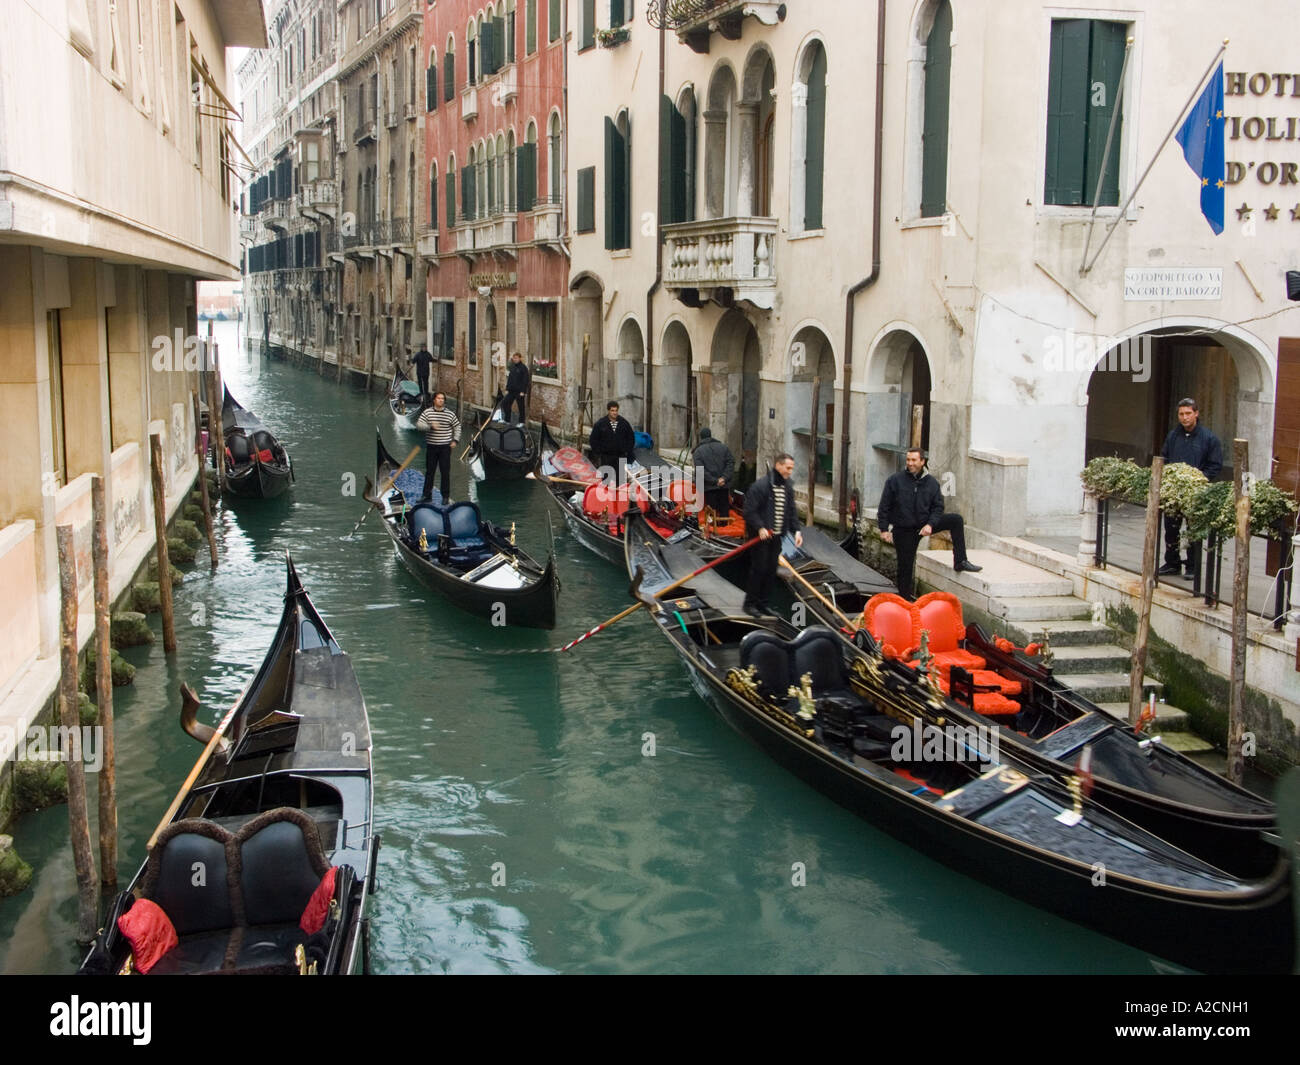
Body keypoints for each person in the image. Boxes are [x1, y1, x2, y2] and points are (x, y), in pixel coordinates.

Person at [877, 448, 981, 599]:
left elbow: (938, 507)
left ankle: (960, 561)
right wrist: (884, 529)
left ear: (922, 461)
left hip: (924, 524)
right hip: (904, 529)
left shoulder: (932, 483)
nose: (910, 463)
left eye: (913, 460)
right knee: (905, 569)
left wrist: (930, 524)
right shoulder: (895, 480)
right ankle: (904, 601)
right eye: (908, 460)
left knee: (956, 520)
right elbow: (884, 506)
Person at [1159, 397, 1223, 577]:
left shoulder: (1209, 438)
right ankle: (1172, 562)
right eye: (1181, 414)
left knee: (1193, 531)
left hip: (1196, 492)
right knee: (1171, 528)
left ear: (1196, 414)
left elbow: (1214, 465)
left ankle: (1192, 567)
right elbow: (1165, 457)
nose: (1185, 417)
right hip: (1174, 491)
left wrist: (1197, 479)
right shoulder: (1173, 435)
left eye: (1188, 413)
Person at [742, 454, 804, 617]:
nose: (790, 472)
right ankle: (749, 605)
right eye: (788, 468)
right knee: (759, 569)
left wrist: (796, 530)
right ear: (778, 465)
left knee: (770, 570)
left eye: (791, 468)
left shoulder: (787, 487)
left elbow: (791, 511)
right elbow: (749, 511)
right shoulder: (760, 486)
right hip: (760, 537)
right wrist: (760, 527)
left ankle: (763, 604)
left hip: (776, 537)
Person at [415, 391, 461, 503]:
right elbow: (419, 425)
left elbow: (457, 426)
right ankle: (426, 496)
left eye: (443, 399)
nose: (441, 400)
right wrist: (430, 426)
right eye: (439, 398)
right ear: (434, 400)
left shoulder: (450, 414)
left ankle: (445, 497)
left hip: (445, 447)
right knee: (430, 472)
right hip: (431, 446)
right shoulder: (427, 413)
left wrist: (455, 440)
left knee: (445, 472)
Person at [693, 428, 735, 515]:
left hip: (710, 487)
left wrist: (715, 481)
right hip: (723, 485)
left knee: (712, 512)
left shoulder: (697, 452)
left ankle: (713, 527)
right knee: (724, 509)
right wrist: (724, 478)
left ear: (701, 437)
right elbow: (730, 463)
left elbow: (701, 471)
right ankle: (724, 525)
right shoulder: (724, 447)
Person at [588, 400, 636, 474]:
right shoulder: (601, 424)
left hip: (621, 456)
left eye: (616, 410)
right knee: (606, 481)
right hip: (606, 457)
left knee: (620, 481)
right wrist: (599, 452)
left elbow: (631, 438)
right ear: (608, 411)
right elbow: (593, 439)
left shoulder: (624, 423)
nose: (615, 413)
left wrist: (626, 450)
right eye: (612, 410)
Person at [503, 351, 530, 424]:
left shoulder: (523, 368)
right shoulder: (512, 367)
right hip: (511, 391)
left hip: (519, 391)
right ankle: (507, 420)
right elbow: (510, 379)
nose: (515, 359)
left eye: (516, 358)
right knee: (505, 403)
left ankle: (521, 422)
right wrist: (507, 389)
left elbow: (526, 380)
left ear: (520, 358)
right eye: (514, 358)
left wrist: (523, 391)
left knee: (521, 407)